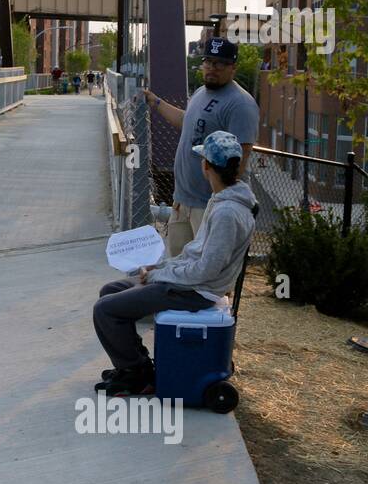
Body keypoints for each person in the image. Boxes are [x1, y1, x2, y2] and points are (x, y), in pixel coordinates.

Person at [92, 131, 257, 396]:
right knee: (110, 291)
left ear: (206, 166)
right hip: (188, 283)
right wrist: (161, 268)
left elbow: (206, 270)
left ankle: (138, 373)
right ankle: (133, 365)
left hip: (195, 292)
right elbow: (196, 255)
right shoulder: (222, 199)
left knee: (105, 310)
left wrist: (160, 277)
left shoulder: (228, 212)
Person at [142, 37, 258, 257]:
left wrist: (220, 204)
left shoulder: (241, 104)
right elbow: (188, 122)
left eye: (219, 63)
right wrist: (156, 102)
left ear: (233, 67)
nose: (212, 68)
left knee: (209, 273)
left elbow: (240, 159)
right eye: (208, 61)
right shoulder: (201, 93)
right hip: (183, 200)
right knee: (178, 267)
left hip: (210, 206)